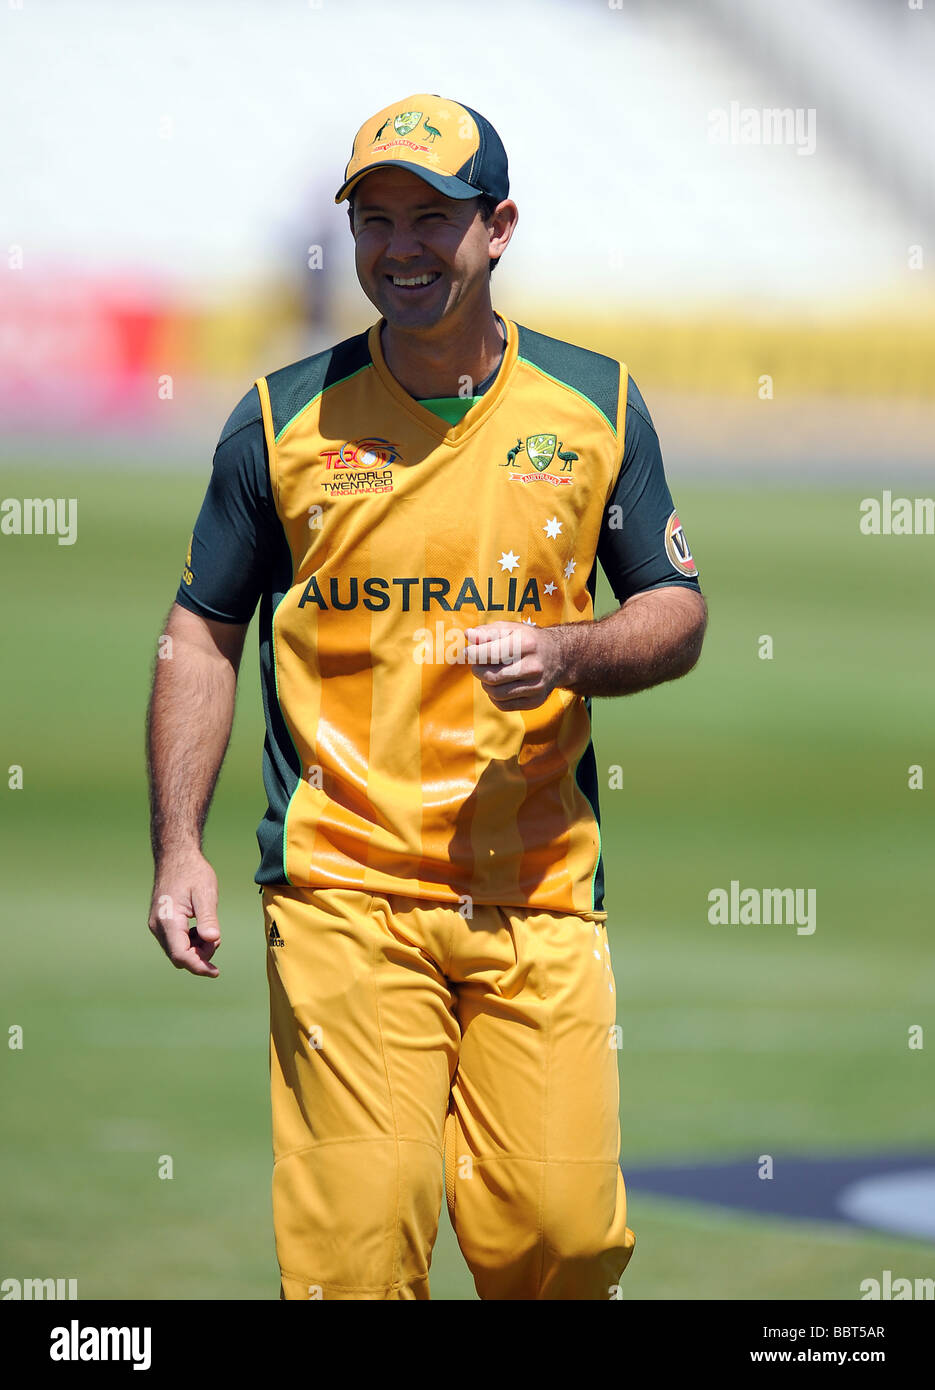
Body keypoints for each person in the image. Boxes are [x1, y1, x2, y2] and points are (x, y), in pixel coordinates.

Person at [146, 93, 708, 1301]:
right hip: (343, 889)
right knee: (356, 1255)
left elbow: (674, 610)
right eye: (374, 220)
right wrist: (178, 848)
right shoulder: (277, 424)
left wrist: (567, 652)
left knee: (558, 1244)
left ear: (496, 228)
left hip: (539, 896)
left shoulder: (595, 406)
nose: (398, 248)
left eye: (430, 219)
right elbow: (201, 628)